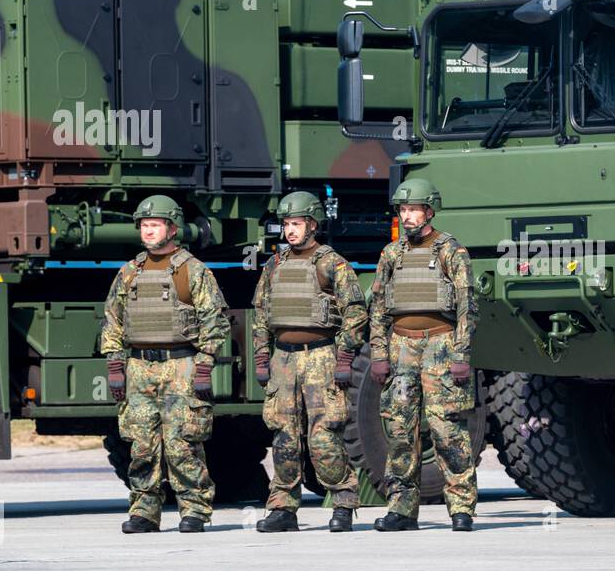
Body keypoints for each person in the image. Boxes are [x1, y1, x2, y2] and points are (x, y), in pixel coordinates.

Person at [99, 195, 229, 533]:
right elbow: (112, 320)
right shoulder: (129, 272)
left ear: (172, 228)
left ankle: (195, 510)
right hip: (139, 368)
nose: (148, 231)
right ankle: (144, 510)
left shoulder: (193, 270)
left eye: (154, 225)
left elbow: (215, 321)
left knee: (183, 444)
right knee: (141, 445)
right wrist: (115, 366)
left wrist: (204, 366)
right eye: (143, 225)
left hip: (180, 366)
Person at [252, 191, 368, 532]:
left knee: (324, 436)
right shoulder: (275, 264)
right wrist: (261, 356)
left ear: (313, 224)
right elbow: (261, 311)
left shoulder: (332, 263)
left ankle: (344, 502)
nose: (290, 231)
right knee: (284, 436)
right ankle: (283, 508)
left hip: (320, 356)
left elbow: (356, 312)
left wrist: (345, 355)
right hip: (283, 360)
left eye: (297, 224)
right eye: (286, 224)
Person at [368, 178, 479, 531]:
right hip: (401, 347)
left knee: (447, 429)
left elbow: (467, 306)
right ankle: (401, 509)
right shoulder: (391, 254)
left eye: (413, 209)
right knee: (400, 430)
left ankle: (461, 508)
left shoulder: (451, 251)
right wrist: (378, 353)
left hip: (440, 346)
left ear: (429, 211)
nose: (408, 216)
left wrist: (461, 354)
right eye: (403, 210)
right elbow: (378, 308)